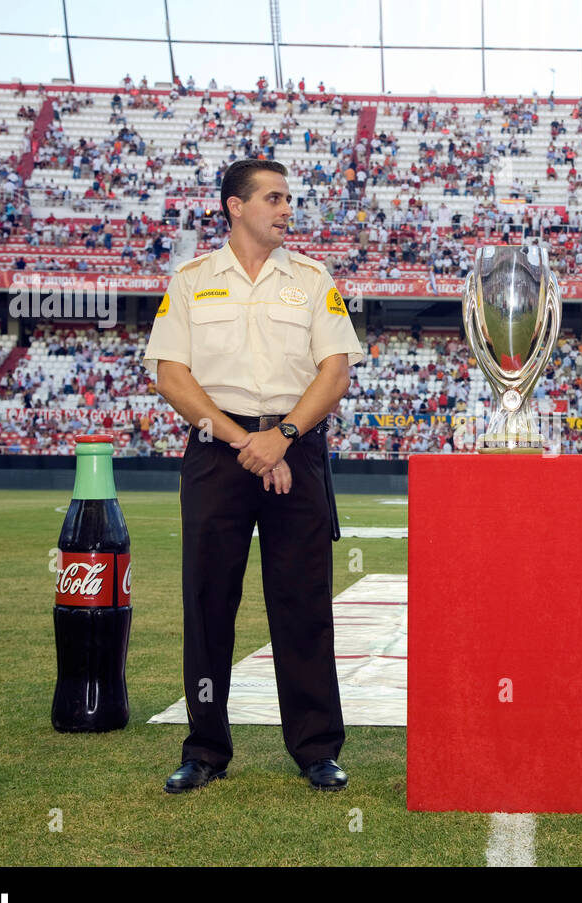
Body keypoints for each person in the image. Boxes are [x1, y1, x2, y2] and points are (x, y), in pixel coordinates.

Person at [144, 159, 363, 795]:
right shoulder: (190, 280)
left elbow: (334, 371)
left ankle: (317, 749)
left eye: (288, 199)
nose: (286, 208)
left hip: (297, 445)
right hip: (221, 452)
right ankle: (206, 748)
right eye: (273, 198)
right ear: (236, 207)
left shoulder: (313, 278)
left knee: (302, 602)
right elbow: (172, 376)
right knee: (209, 602)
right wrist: (246, 441)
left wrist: (282, 437)